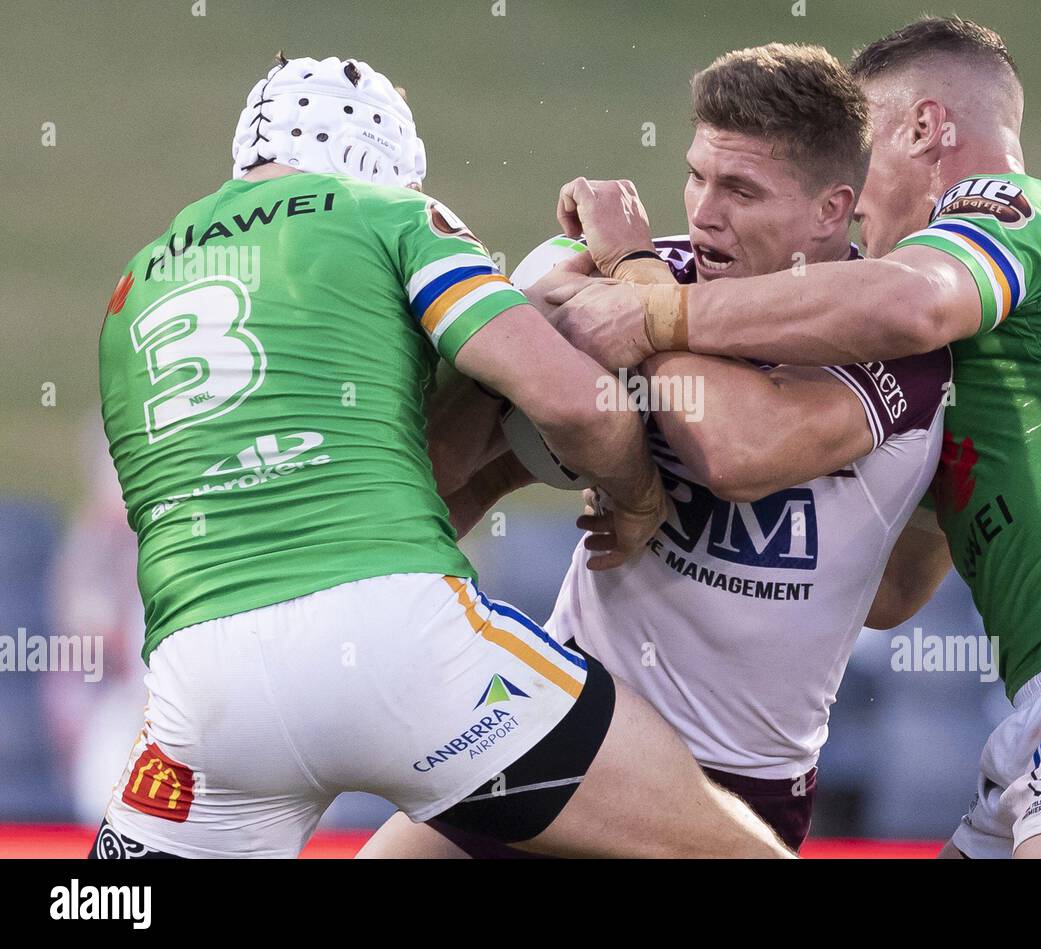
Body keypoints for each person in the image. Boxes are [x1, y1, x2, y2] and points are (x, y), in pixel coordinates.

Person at [545, 19, 1041, 859]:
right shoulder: (961, 358)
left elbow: (908, 301)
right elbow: (891, 594)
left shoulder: (1017, 211)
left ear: (924, 129)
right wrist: (646, 476)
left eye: (865, 157)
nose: (852, 194)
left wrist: (651, 306)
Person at [93, 53, 789, 859]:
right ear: (383, 162)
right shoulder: (383, 214)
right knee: (726, 849)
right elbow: (572, 402)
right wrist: (636, 497)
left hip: (202, 686)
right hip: (400, 640)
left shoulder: (131, 288)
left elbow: (334, 461)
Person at [361, 44, 952, 858]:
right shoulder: (651, 269)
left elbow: (735, 453)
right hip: (569, 723)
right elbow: (451, 465)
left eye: (741, 190)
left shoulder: (895, 346)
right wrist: (589, 448)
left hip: (739, 781)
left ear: (831, 208)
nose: (706, 213)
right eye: (698, 176)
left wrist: (637, 284)